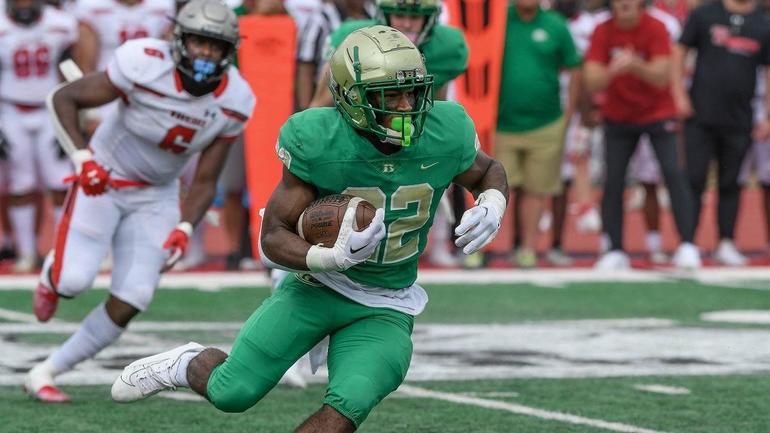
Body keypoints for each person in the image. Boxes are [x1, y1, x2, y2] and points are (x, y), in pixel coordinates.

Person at [111, 26, 508, 433]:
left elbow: (487, 170)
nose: (407, 106)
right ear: (352, 98)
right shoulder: (317, 139)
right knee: (232, 393)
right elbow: (273, 234)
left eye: (414, 92)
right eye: (390, 95)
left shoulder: (446, 129)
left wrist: (493, 201)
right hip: (318, 287)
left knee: (347, 406)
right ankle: (185, 363)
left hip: (388, 300)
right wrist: (326, 257)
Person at [24, 0, 255, 403]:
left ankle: (48, 370)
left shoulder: (236, 98)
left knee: (134, 297)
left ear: (228, 51)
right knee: (72, 281)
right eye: (199, 42)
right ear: (180, 41)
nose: (205, 54)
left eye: (215, 46)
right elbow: (64, 98)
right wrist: (84, 159)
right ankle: (50, 280)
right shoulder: (144, 62)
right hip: (105, 178)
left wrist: (185, 227)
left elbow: (205, 178)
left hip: (157, 193)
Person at [584, 0, 700, 270]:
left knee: (673, 173)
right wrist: (613, 69)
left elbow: (661, 76)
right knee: (613, 180)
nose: (624, 3)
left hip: (658, 113)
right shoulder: (602, 30)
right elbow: (591, 79)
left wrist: (634, 65)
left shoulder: (657, 27)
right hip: (618, 115)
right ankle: (614, 248)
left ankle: (687, 243)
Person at [672, 0, 770, 266]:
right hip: (700, 115)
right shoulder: (705, 13)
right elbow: (680, 50)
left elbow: (768, 70)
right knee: (695, 178)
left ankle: (726, 240)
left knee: (731, 182)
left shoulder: (762, 22)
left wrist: (768, 113)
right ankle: (688, 242)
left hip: (739, 117)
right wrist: (679, 94)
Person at [496, 0, 581, 268]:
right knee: (497, 189)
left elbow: (574, 66)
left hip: (545, 123)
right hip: (501, 123)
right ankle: (486, 246)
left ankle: (527, 248)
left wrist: (569, 114)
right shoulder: (497, 21)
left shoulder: (556, 24)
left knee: (535, 190)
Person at [0, 0, 79, 273]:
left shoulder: (61, 23)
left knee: (60, 182)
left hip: (50, 109)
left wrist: (72, 118)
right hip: (10, 108)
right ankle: (26, 252)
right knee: (20, 184)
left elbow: (71, 73)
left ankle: (62, 251)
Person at [309, 0, 467, 106]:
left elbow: (437, 104)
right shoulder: (353, 38)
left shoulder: (446, 48)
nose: (406, 24)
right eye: (399, 15)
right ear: (384, 15)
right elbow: (321, 103)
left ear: (428, 19)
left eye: (415, 17)